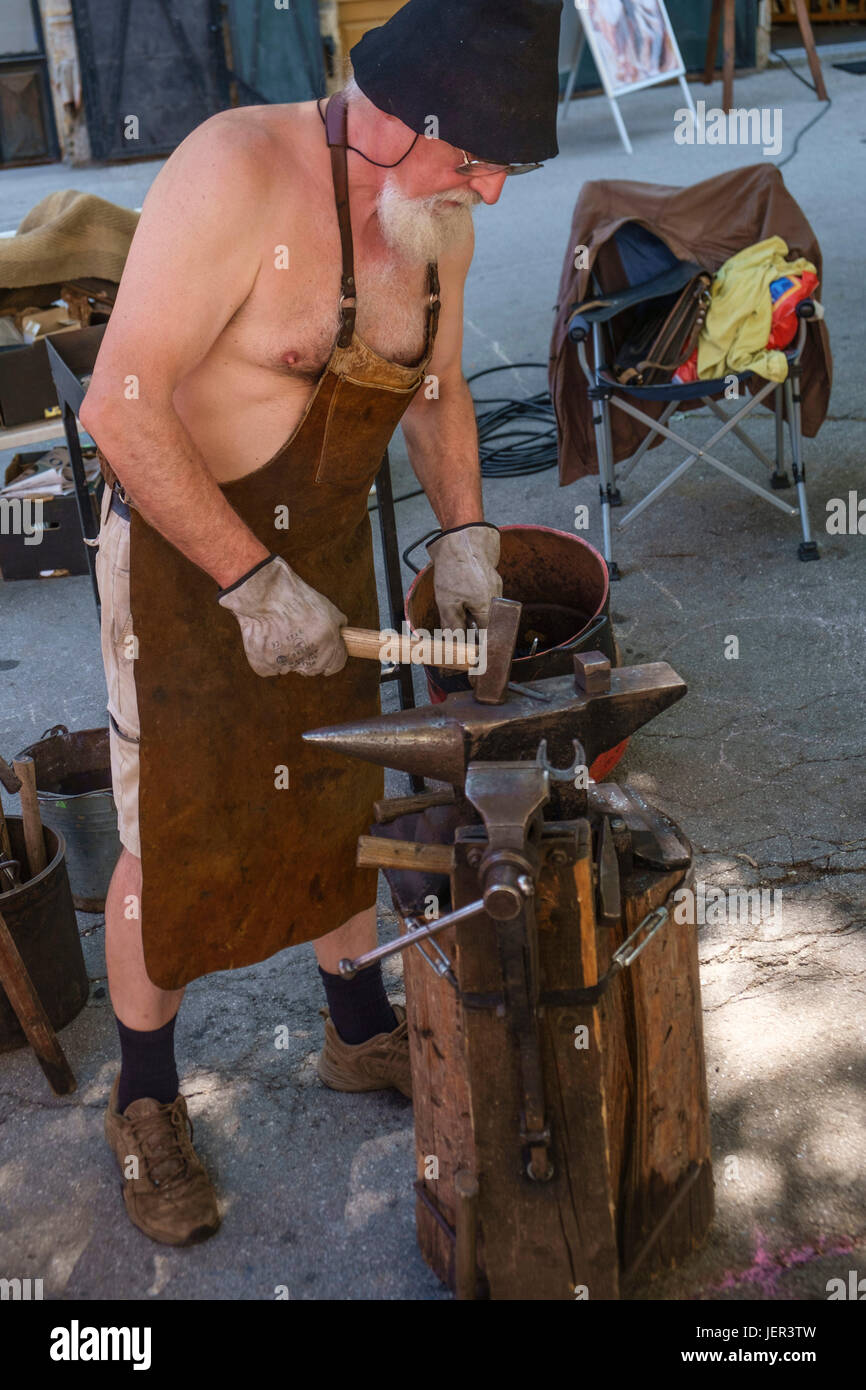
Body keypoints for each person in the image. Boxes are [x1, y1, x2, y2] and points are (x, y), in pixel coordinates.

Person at [80, 0, 563, 1247]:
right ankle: (143, 1100)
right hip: (189, 558)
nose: (491, 193)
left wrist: (464, 534)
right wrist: (247, 579)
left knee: (342, 803)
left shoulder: (432, 216)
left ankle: (355, 1032)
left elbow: (440, 388)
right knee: (171, 830)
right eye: (473, 159)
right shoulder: (233, 174)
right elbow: (118, 409)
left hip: (330, 545)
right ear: (396, 121)